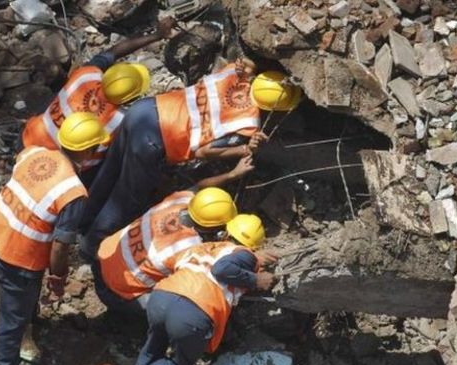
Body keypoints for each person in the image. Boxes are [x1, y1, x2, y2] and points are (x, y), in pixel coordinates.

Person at [78, 64, 302, 258]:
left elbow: (245, 64)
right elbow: (204, 151)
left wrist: (251, 66)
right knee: (127, 198)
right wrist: (243, 148)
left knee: (110, 171)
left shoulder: (235, 73)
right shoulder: (246, 124)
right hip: (154, 140)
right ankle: (90, 246)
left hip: (145, 111)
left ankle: (81, 221)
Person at [90, 214, 277, 365]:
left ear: (226, 232)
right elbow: (222, 269)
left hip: (162, 298)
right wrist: (256, 278)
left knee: (153, 350)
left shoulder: (200, 248)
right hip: (194, 309)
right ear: (253, 245)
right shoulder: (244, 254)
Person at [0, 112, 106, 365]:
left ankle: (30, 317)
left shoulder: (34, 152)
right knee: (10, 326)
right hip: (19, 260)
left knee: (20, 308)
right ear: (88, 152)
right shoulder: (73, 193)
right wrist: (58, 276)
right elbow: (60, 247)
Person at [21, 17, 176, 186]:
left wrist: (156, 35)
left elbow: (113, 52)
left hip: (30, 138)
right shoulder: (120, 122)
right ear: (131, 98)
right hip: (59, 171)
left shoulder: (86, 75)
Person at [93, 183, 248, 314]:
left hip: (101, 257)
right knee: (190, 304)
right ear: (215, 229)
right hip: (118, 293)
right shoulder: (191, 248)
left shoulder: (180, 200)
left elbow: (200, 185)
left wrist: (232, 175)